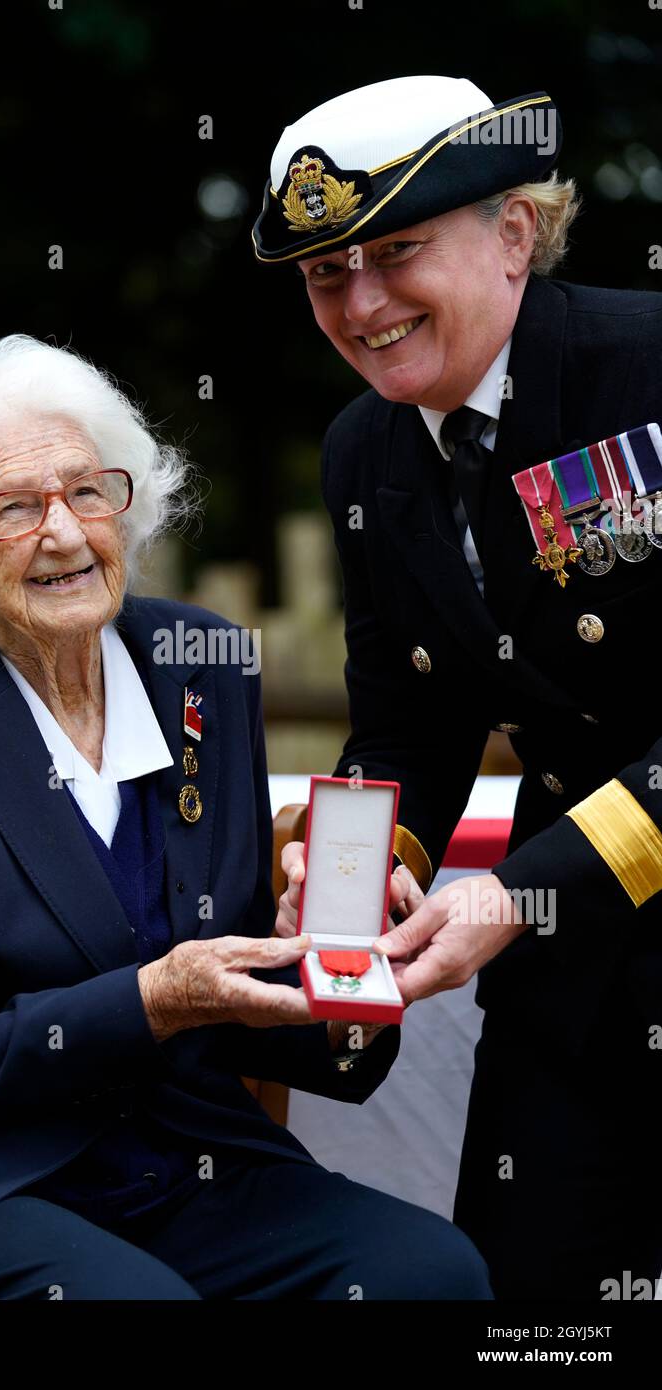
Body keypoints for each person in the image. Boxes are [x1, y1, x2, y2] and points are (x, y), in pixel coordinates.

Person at [0, 334, 491, 1300]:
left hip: (183, 1158)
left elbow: (241, 1015)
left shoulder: (202, 664)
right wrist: (153, 999)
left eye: (88, 491)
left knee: (428, 1276)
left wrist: (347, 975)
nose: (63, 533)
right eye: (15, 508)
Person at [258, 75, 662, 1299]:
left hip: (561, 894)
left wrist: (516, 893)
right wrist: (342, 884)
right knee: (524, 1287)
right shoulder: (361, 452)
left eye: (392, 252)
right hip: (567, 966)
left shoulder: (646, 370)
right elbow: (405, 720)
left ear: (513, 233)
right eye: (327, 272)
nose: (361, 302)